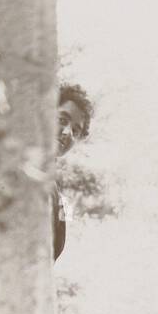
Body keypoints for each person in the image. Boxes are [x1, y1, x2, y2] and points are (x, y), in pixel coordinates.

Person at [52, 83, 94, 261]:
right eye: (62, 120)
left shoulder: (58, 190)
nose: (68, 132)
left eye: (76, 131)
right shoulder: (13, 164)